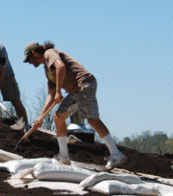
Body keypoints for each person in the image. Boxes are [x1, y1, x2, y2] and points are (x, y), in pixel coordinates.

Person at [23, 41, 126, 170]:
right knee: (58, 117)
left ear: (34, 53)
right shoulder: (47, 70)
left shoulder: (49, 53)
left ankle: (116, 154)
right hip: (75, 92)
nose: (31, 63)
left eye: (30, 60)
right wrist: (40, 117)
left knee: (92, 120)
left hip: (84, 84)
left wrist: (59, 92)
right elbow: (51, 94)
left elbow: (61, 67)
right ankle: (64, 157)